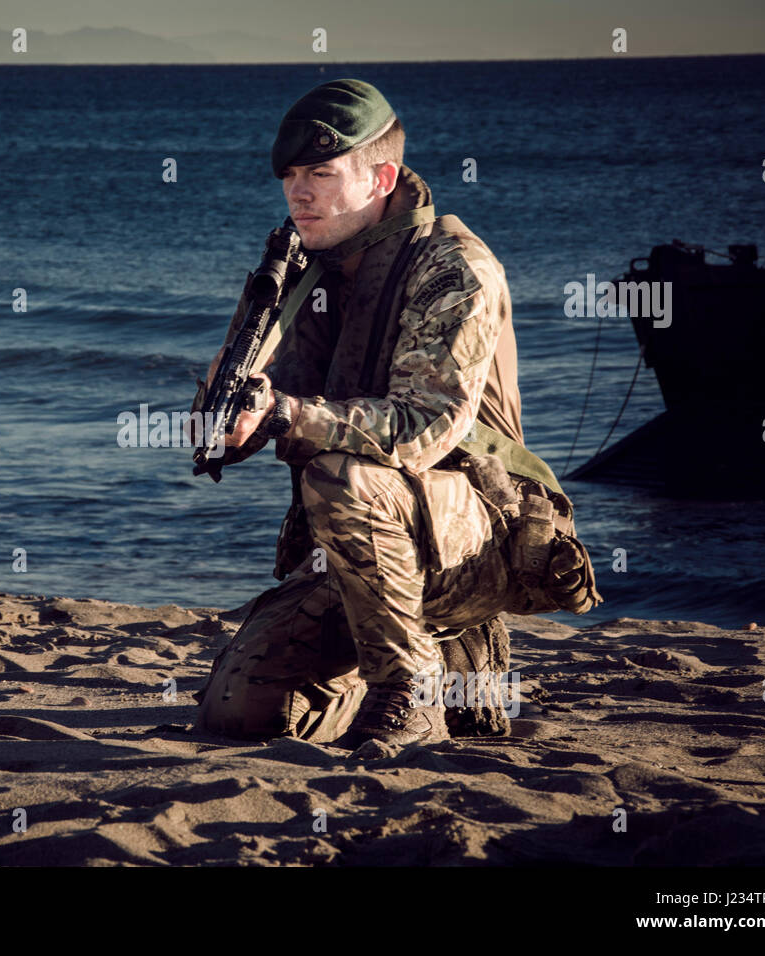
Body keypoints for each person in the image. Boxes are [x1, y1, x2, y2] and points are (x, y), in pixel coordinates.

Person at [192, 78, 531, 750]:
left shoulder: (453, 266)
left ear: (381, 178)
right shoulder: (300, 268)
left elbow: (421, 428)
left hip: (470, 537)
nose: (299, 192)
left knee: (342, 476)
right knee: (235, 716)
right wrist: (226, 421)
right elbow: (250, 401)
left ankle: (415, 690)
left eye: (321, 173)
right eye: (291, 175)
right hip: (355, 552)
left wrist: (286, 415)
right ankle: (430, 663)